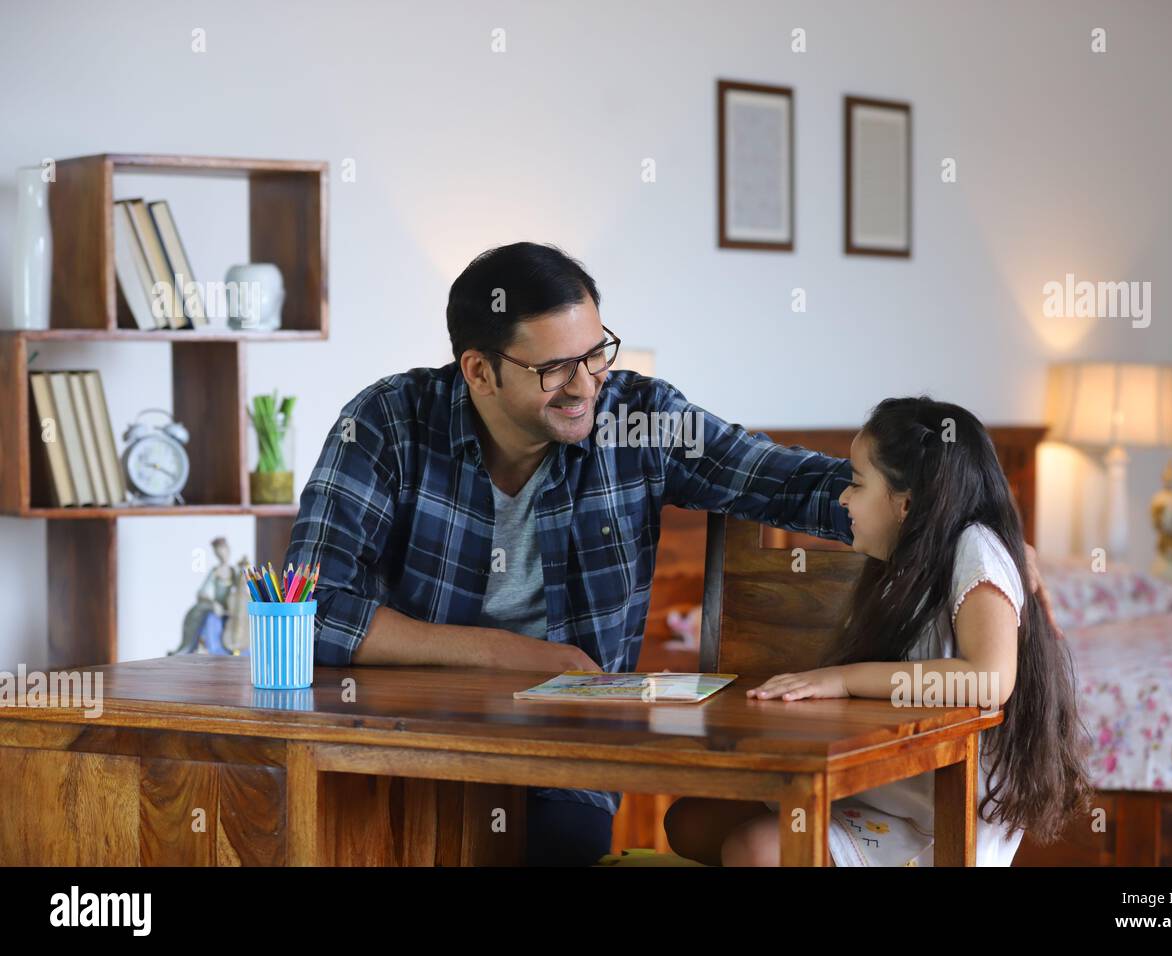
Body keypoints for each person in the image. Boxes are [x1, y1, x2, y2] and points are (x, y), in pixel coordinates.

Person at [287, 243, 1060, 866]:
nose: (586, 384)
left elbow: (790, 482)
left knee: (562, 849)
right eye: (554, 368)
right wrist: (508, 654)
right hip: (405, 749)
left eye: (596, 354)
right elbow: (312, 611)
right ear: (479, 371)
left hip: (567, 762)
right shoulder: (389, 422)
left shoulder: (639, 419)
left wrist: (962, 523)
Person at [663, 397, 1092, 866]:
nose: (843, 497)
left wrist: (844, 679)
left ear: (907, 503)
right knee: (689, 821)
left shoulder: (977, 547)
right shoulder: (902, 566)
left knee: (755, 851)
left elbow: (991, 679)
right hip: (886, 794)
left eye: (856, 483)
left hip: (940, 821)